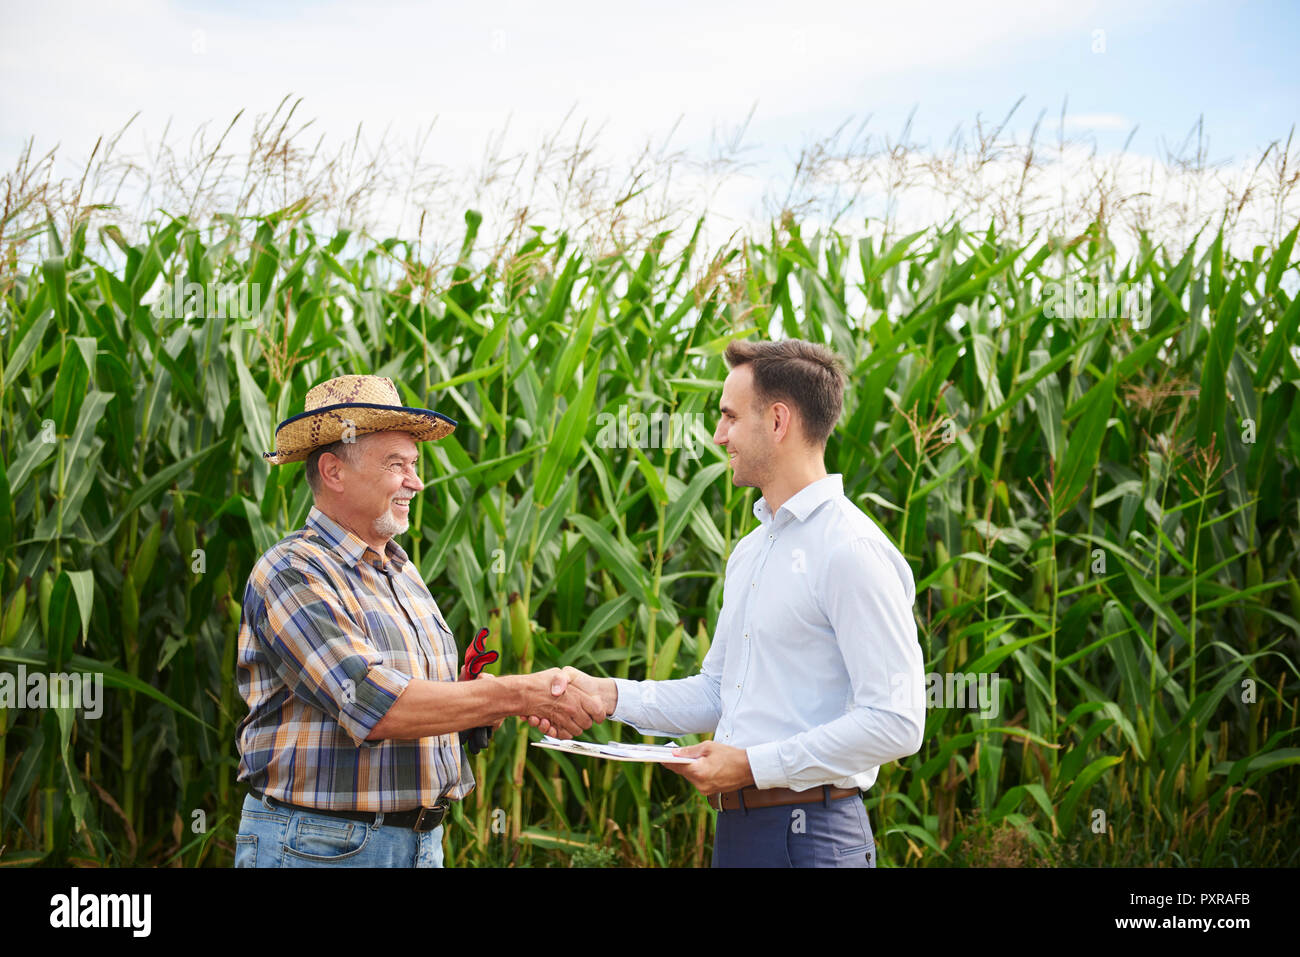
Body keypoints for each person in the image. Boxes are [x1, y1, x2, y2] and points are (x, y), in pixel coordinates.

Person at [561, 339, 926, 867]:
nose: (719, 435)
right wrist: (607, 696)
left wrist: (754, 765)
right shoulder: (754, 549)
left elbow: (897, 721)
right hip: (739, 831)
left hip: (812, 835)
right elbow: (717, 692)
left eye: (730, 417)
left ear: (778, 421)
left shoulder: (851, 550)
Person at [234, 374, 605, 868]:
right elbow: (373, 704)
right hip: (321, 847)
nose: (416, 481)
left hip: (418, 844)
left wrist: (482, 703)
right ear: (333, 471)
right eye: (397, 466)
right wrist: (520, 694)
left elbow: (420, 697)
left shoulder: (400, 569)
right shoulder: (292, 572)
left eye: (414, 465)